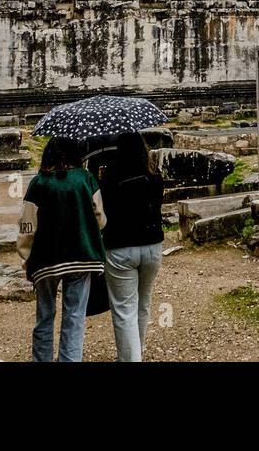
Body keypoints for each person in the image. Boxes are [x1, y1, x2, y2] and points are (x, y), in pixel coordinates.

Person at [17, 135, 107, 362]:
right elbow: (100, 218)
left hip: (46, 259)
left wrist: (27, 258)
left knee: (45, 316)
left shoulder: (39, 182)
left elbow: (28, 225)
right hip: (82, 255)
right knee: (75, 315)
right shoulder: (86, 179)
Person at [100, 130, 165, 361]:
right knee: (143, 304)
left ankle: (131, 358)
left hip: (121, 248)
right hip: (152, 246)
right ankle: (137, 351)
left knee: (124, 310)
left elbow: (102, 211)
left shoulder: (110, 177)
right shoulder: (154, 176)